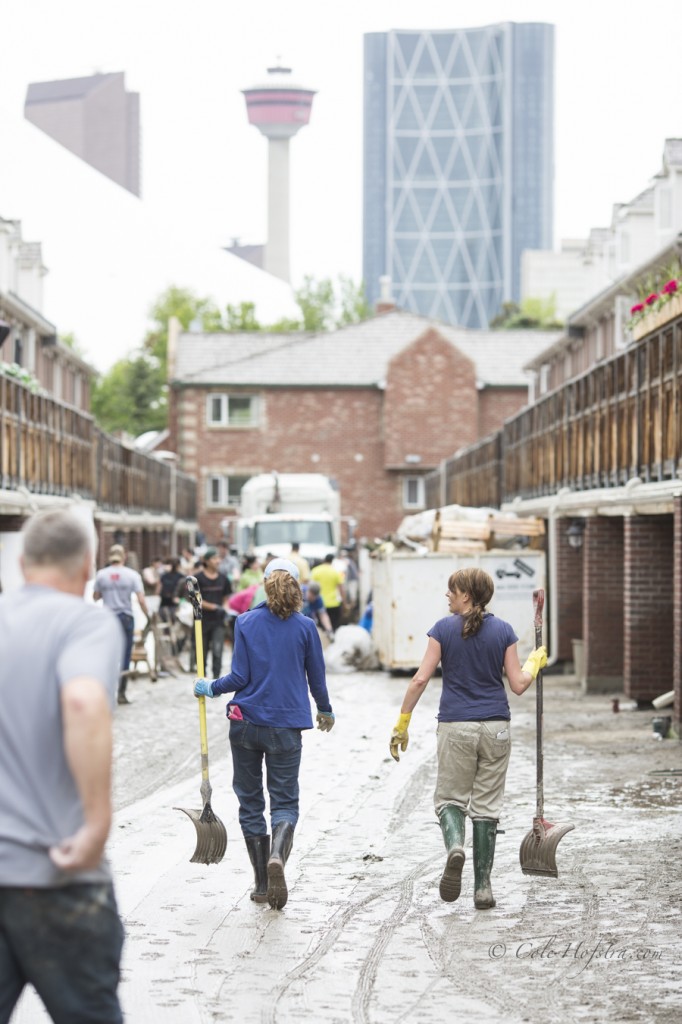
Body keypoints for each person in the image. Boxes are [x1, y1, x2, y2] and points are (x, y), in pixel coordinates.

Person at [0, 508, 125, 1023]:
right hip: (59, 874)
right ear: (86, 568)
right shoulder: (86, 623)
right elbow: (82, 702)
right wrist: (96, 824)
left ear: (23, 564)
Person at [389, 567, 547, 911]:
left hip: (456, 727)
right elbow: (519, 685)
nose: (448, 595)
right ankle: (483, 890)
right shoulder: (503, 630)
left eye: (453, 590)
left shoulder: (443, 630)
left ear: (467, 596)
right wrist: (535, 663)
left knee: (450, 800)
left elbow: (419, 680)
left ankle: (455, 847)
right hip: (496, 728)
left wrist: (402, 722)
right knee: (487, 807)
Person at [193, 558, 334, 910]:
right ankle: (277, 858)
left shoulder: (245, 622)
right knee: (284, 801)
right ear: (297, 588)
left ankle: (260, 883)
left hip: (245, 724)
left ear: (265, 584)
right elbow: (316, 677)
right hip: (286, 726)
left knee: (250, 801)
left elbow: (239, 677)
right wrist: (325, 710)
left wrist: (211, 687)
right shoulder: (306, 628)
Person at [93, 543, 150, 705]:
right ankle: (122, 693)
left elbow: (95, 596)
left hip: (108, 617)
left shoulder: (101, 575)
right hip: (125, 616)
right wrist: (148, 616)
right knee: (125, 655)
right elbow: (140, 599)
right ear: (123, 556)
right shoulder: (132, 575)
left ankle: (108, 692)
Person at [194, 547, 232, 677]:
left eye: (218, 558)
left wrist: (225, 609)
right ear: (206, 561)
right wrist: (213, 606)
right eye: (214, 558)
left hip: (218, 621)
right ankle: (202, 679)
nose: (218, 561)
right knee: (201, 651)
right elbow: (196, 600)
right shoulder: (197, 579)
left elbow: (226, 598)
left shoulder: (223, 579)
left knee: (218, 650)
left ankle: (216, 680)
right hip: (201, 620)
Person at [311, 553, 345, 632]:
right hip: (334, 603)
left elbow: (311, 587)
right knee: (333, 627)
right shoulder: (336, 572)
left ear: (324, 560)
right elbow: (341, 589)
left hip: (318, 603)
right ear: (332, 561)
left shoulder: (315, 571)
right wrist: (344, 603)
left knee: (321, 629)